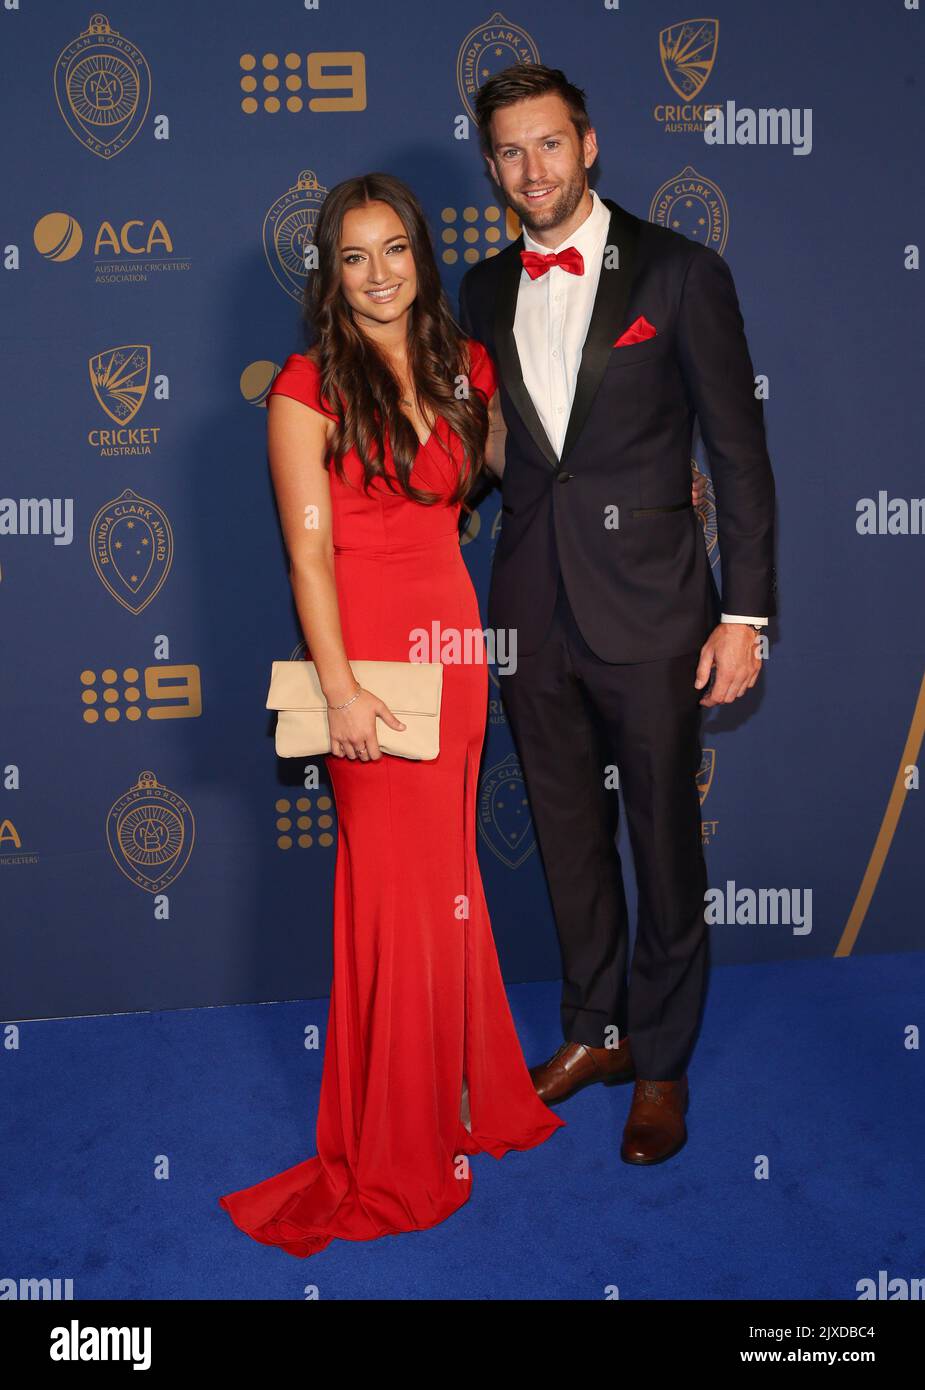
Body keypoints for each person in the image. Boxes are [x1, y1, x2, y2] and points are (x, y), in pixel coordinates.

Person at [217, 173, 566, 1258]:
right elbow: (308, 552)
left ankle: (465, 1098)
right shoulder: (306, 384)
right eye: (353, 257)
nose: (377, 275)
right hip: (367, 659)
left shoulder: (464, 366)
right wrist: (340, 685)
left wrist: (651, 478)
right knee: (398, 898)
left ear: (422, 253)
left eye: (394, 251)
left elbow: (516, 469)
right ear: (332, 273)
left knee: (449, 884)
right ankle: (399, 1137)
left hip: (452, 648)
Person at [458, 65, 777, 1164]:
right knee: (566, 841)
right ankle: (594, 1033)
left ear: (587, 145)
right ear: (490, 164)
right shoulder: (483, 287)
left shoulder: (682, 273)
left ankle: (664, 1061)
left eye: (548, 144)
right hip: (531, 609)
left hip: (654, 612)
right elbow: (500, 453)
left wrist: (746, 615)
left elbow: (738, 455)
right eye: (508, 151)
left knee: (662, 844)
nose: (530, 170)